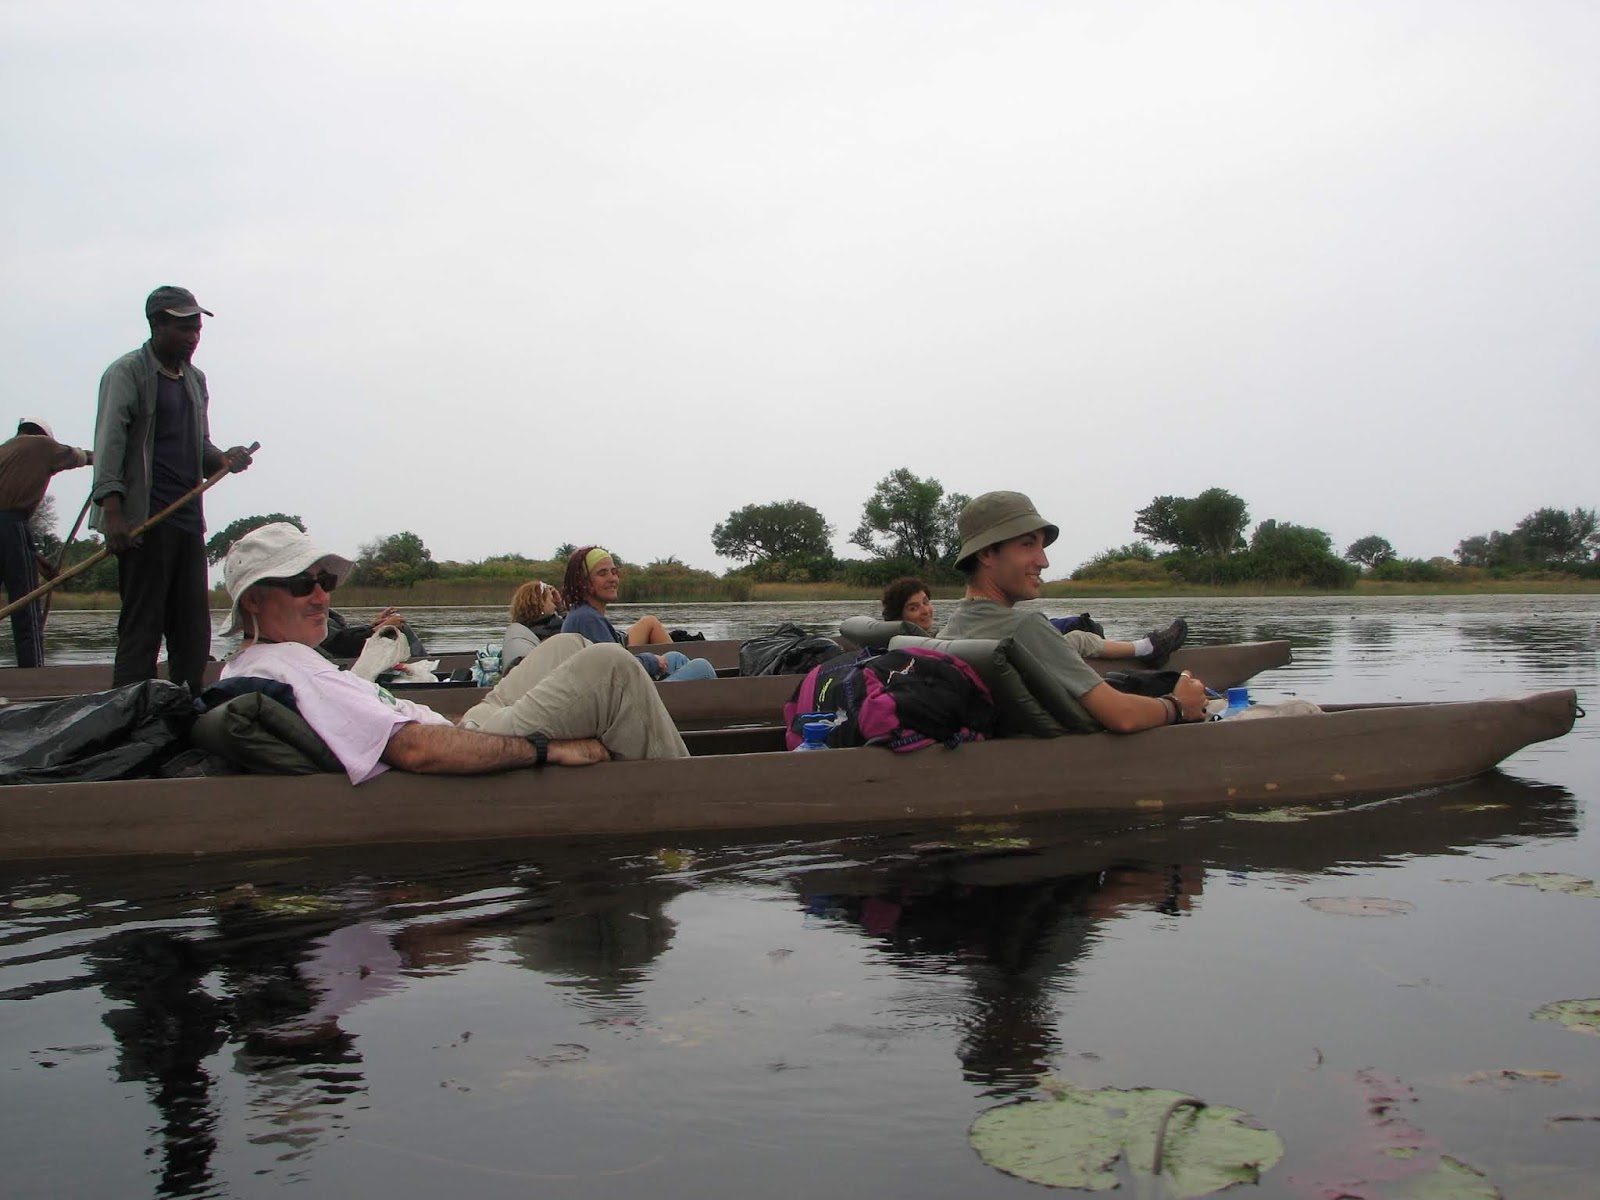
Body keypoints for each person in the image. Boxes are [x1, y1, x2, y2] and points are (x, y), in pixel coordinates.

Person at [217, 523, 688, 784]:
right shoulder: (299, 675)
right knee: (611, 666)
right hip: (456, 751)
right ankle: (687, 790)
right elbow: (418, 751)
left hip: (464, 729)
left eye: (326, 582)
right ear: (253, 600)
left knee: (567, 644)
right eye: (304, 585)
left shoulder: (267, 662)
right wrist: (549, 749)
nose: (322, 597)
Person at [92, 286, 253, 694]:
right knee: (143, 626)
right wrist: (114, 514)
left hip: (185, 521)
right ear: (156, 325)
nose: (193, 336)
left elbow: (200, 446)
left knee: (192, 631)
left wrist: (222, 459)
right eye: (183, 328)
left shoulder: (194, 380)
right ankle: (127, 711)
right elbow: (110, 444)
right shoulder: (127, 372)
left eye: (196, 328)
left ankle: (186, 708)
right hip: (143, 521)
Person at [937, 491, 1209, 732]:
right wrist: (1177, 705)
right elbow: (1122, 716)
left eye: (1041, 546)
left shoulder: (946, 633)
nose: (1043, 561)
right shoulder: (1025, 628)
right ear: (986, 554)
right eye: (1028, 544)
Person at [882, 573, 1186, 665]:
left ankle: (1141, 647)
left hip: (1001, 653)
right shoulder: (919, 642)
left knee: (1061, 629)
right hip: (1008, 663)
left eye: (926, 602)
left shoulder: (922, 635)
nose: (925, 610)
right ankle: (1148, 647)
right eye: (914, 608)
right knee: (1079, 639)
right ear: (900, 616)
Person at [0, 418, 93, 667]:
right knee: (26, 607)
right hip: (11, 524)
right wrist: (108, 457)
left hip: (9, 528)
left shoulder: (6, 449)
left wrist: (41, 565)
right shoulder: (41, 445)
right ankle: (33, 675)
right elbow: (78, 456)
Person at [559, 546, 715, 682]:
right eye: (602, 573)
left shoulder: (583, 613)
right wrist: (651, 661)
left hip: (617, 689)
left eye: (614, 572)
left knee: (675, 658)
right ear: (584, 582)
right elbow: (618, 671)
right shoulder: (587, 619)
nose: (612, 578)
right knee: (703, 668)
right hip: (618, 701)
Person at [501, 580, 564, 672]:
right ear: (541, 604)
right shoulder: (552, 628)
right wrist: (561, 607)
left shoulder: (524, 627)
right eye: (551, 601)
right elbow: (572, 630)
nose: (554, 606)